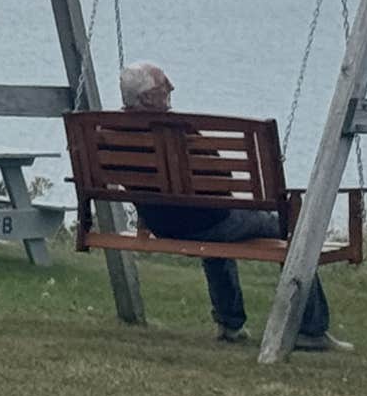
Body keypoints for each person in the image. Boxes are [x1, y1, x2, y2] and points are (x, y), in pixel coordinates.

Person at [118, 61, 353, 351]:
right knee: (294, 228)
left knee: (211, 229)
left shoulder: (110, 132)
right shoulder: (179, 131)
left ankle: (230, 322)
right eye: (164, 84)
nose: (171, 88)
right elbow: (223, 180)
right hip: (210, 222)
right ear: (148, 98)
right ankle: (312, 328)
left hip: (162, 225)